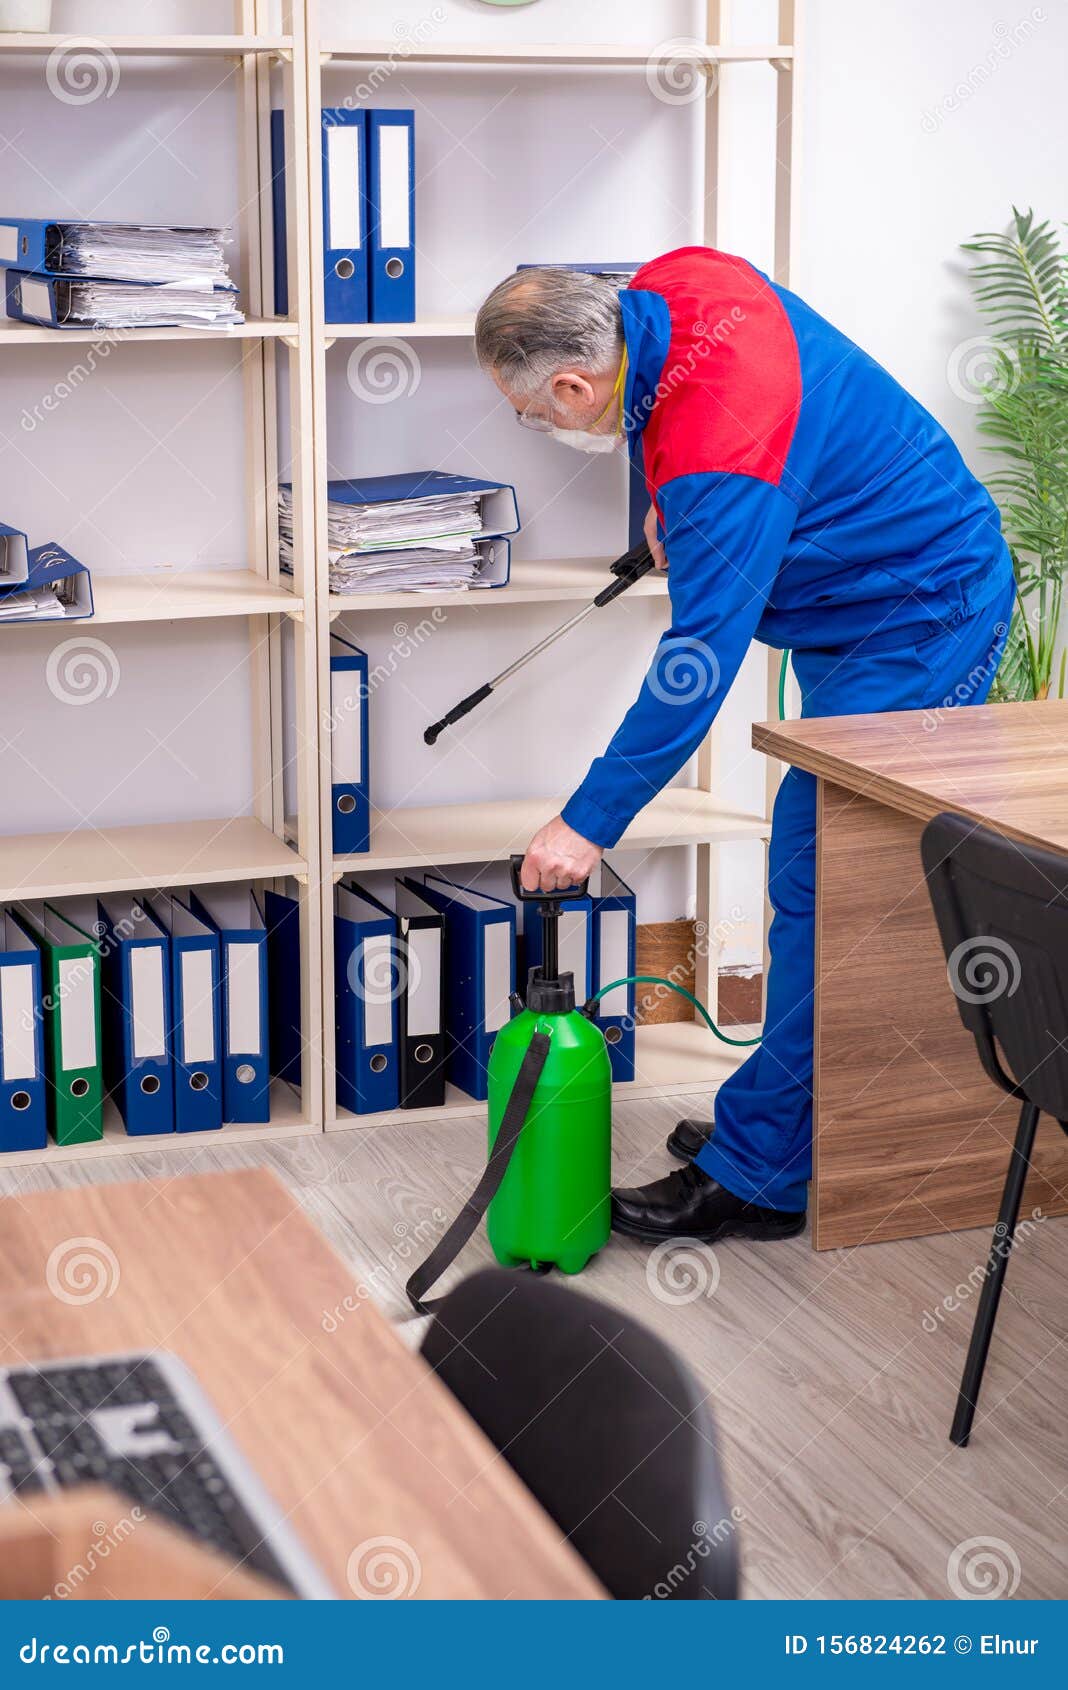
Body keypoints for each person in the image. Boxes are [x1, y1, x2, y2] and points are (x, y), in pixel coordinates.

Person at [473, 247, 1014, 1247]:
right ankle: (782, 1120)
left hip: (919, 615)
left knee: (822, 892)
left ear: (572, 384)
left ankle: (761, 1177)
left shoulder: (723, 459)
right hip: (854, 601)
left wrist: (585, 824)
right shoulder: (676, 282)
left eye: (534, 413)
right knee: (816, 880)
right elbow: (670, 404)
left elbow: (696, 667)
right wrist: (660, 493)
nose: (535, 428)